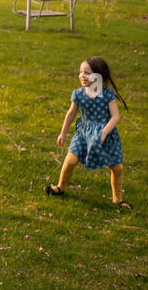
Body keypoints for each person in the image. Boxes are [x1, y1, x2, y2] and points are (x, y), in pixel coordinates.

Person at [46, 56, 130, 209]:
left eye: (87, 73)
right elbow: (71, 113)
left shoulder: (107, 94)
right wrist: (63, 133)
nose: (82, 76)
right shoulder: (78, 94)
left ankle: (118, 200)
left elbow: (116, 116)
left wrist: (104, 133)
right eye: (80, 72)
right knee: (70, 161)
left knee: (117, 168)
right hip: (84, 133)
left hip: (106, 135)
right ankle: (60, 187)